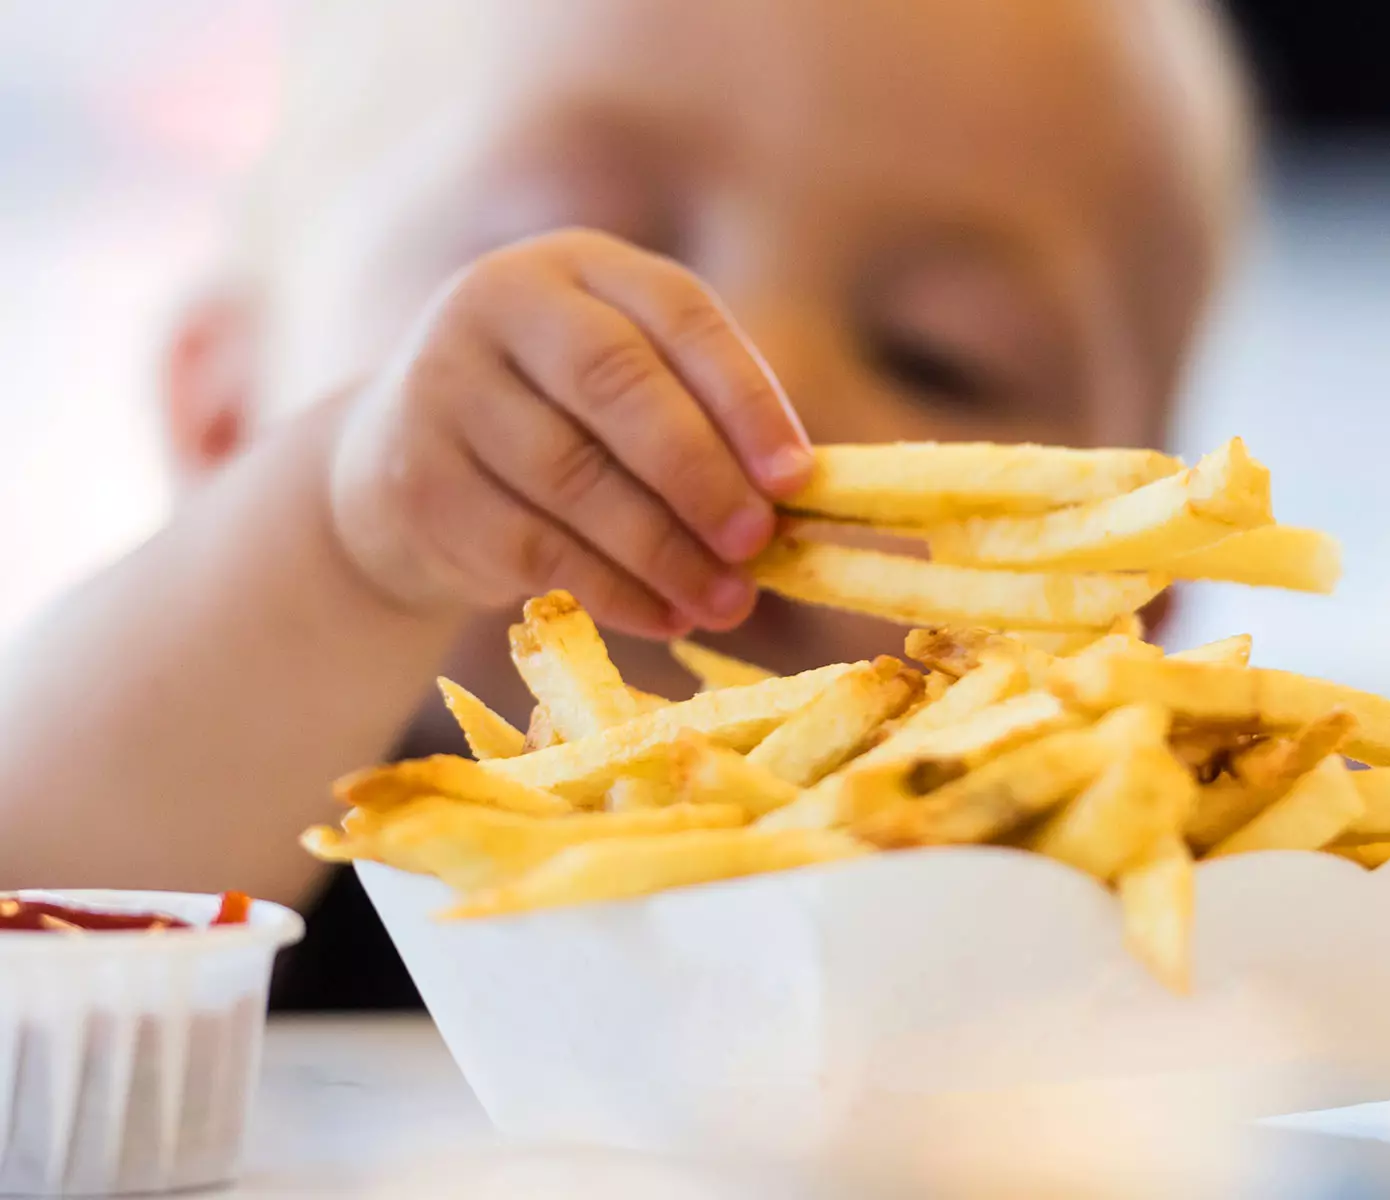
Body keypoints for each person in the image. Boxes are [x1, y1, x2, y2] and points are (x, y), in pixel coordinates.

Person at [0, 0, 1252, 1005]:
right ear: (228, 423)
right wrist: (342, 534)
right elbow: (38, 887)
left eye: (937, 354)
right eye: (565, 254)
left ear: (1136, 590)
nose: (753, 378)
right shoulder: (210, 797)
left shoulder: (1105, 938)